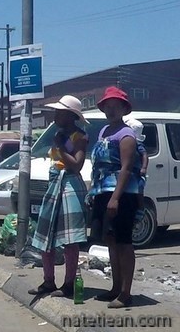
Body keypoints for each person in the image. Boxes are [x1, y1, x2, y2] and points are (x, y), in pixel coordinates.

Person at [28, 95, 89, 298]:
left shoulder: (79, 137)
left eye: (59, 112)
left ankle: (69, 283)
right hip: (55, 183)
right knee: (47, 235)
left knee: (70, 239)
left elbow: (77, 164)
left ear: (70, 115)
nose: (55, 115)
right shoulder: (59, 133)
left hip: (69, 183)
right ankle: (48, 281)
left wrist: (61, 147)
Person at [88, 86, 140, 309]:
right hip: (102, 191)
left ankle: (126, 293)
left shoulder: (126, 135)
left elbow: (127, 168)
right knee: (110, 240)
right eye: (107, 106)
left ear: (123, 109)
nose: (110, 110)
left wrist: (115, 198)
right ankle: (115, 287)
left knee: (123, 242)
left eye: (115, 106)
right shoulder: (103, 132)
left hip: (121, 194)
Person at [123, 117, 148, 225]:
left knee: (139, 190)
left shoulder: (137, 144)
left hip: (136, 173)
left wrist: (143, 168)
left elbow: (145, 155)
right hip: (129, 173)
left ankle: (141, 209)